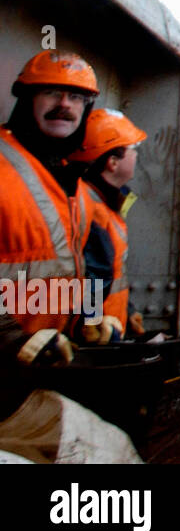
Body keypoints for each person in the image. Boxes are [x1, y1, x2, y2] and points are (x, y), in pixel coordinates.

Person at [0, 50, 98, 373]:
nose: (64, 105)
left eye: (76, 97)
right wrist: (11, 339)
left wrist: (91, 317)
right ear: (27, 99)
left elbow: (76, 265)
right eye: (51, 92)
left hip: (46, 363)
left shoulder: (72, 182)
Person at [69, 109, 147, 343]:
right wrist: (91, 323)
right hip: (98, 341)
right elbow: (92, 278)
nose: (136, 157)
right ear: (113, 162)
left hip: (109, 331)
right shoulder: (94, 210)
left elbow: (111, 274)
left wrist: (129, 311)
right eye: (133, 151)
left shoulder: (104, 203)